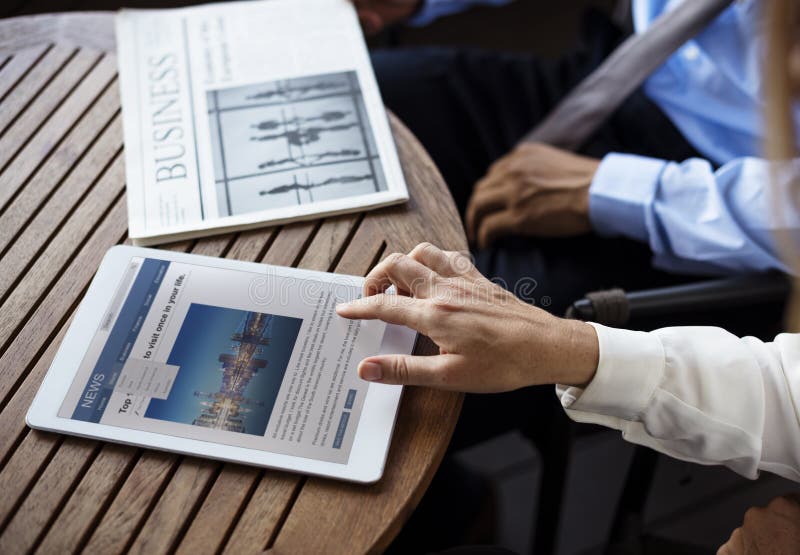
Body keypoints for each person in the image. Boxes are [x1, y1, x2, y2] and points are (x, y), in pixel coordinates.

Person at [356, 0, 800, 321]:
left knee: (416, 329)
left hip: (723, 211)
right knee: (343, 102)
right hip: (627, 73)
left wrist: (616, 191)